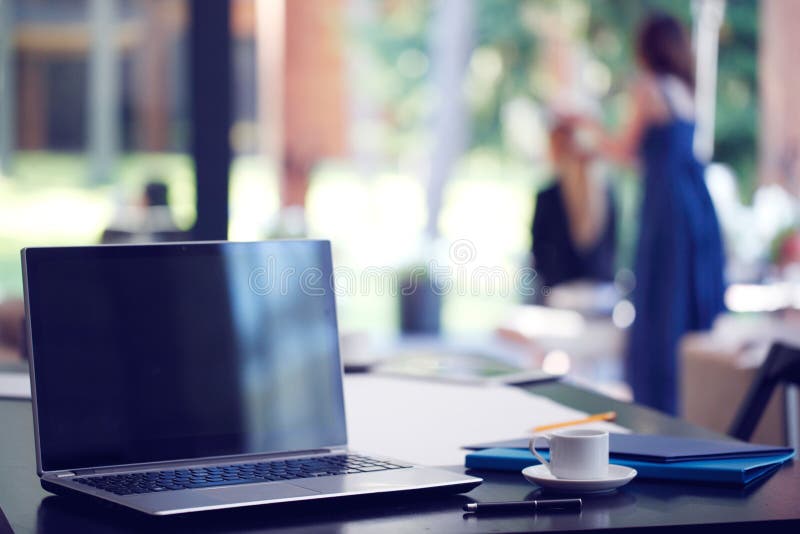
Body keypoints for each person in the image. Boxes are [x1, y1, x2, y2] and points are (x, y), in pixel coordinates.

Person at [582, 13, 726, 414]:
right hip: (694, 206)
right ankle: (686, 396)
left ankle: (657, 401)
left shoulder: (648, 88)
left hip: (665, 210)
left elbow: (626, 152)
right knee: (680, 300)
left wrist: (590, 131)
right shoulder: (683, 89)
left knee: (661, 298)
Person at [532, 120, 616, 290]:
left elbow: (538, 251)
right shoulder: (607, 193)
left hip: (571, 290)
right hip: (592, 290)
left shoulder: (548, 196)